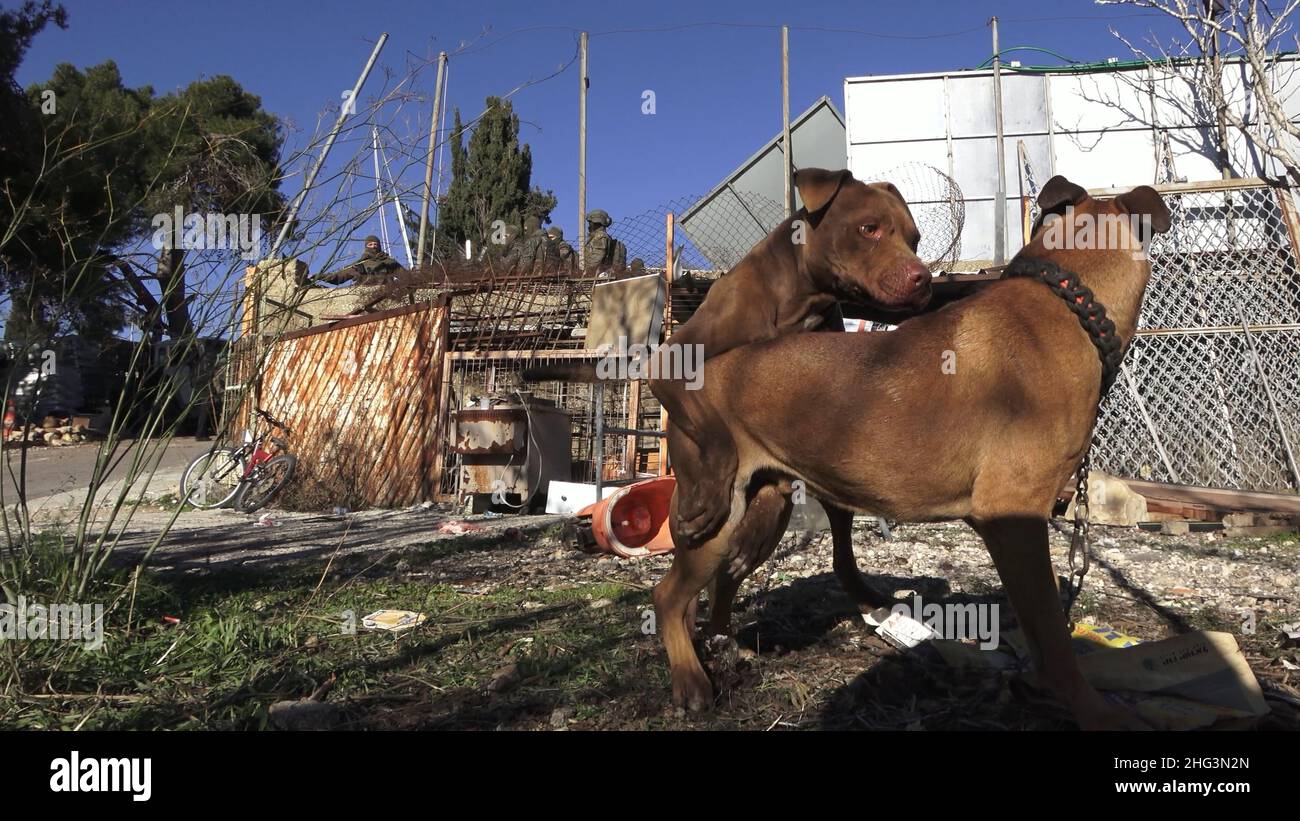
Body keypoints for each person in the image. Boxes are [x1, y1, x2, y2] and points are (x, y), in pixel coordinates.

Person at [315, 235, 405, 285]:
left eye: (376, 244)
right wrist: (317, 277)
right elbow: (338, 277)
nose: (373, 246)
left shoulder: (388, 262)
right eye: (370, 244)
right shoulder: (360, 264)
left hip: (387, 294)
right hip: (365, 296)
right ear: (366, 247)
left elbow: (405, 276)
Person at [583, 209, 627, 277]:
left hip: (599, 274)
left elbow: (598, 256)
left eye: (590, 222)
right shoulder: (597, 236)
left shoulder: (600, 236)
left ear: (596, 223)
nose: (589, 225)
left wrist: (588, 272)